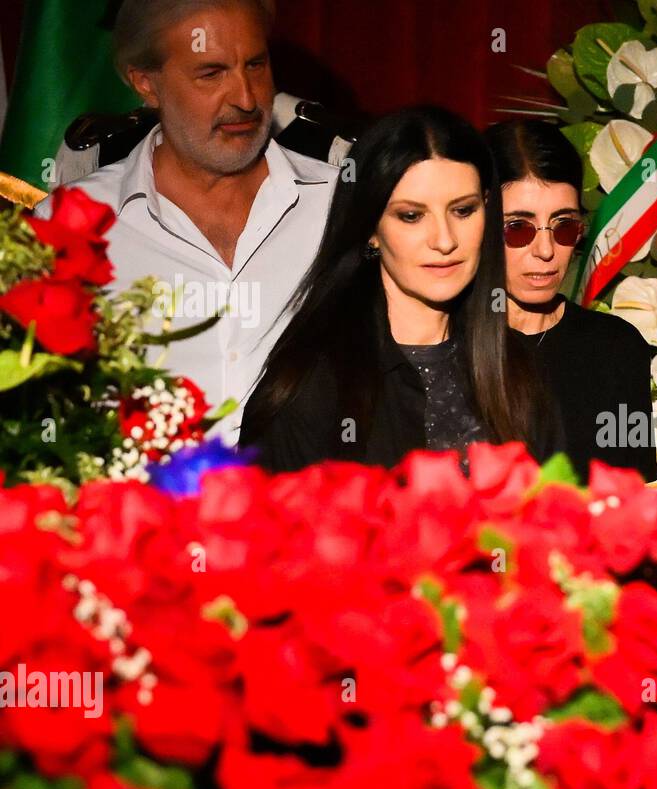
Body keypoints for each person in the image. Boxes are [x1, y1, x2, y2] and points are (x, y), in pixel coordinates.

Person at [33, 0, 337, 442]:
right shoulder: (73, 224)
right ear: (145, 84)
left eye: (255, 65)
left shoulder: (340, 204)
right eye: (211, 74)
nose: (246, 98)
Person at [239, 106, 556, 472]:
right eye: (411, 215)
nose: (444, 240)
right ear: (371, 228)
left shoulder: (515, 369)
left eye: (463, 210)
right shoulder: (309, 388)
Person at [484, 119, 657, 482]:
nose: (546, 250)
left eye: (563, 226)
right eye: (518, 228)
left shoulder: (618, 349)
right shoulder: (439, 346)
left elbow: (634, 499)